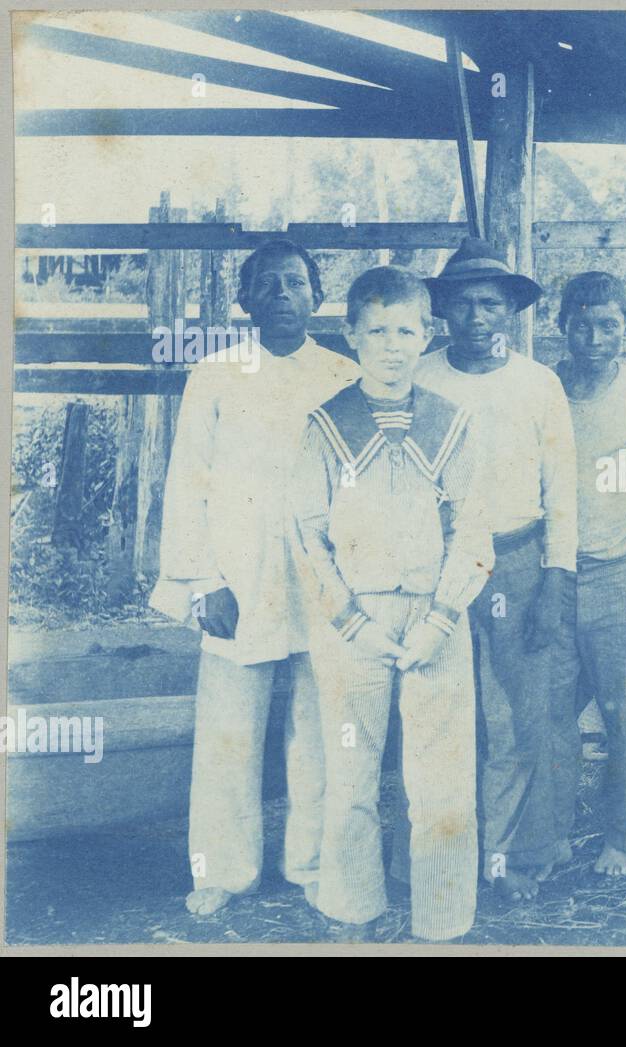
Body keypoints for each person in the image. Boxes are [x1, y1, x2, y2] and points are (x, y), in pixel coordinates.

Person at [151, 239, 357, 917]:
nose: (281, 295)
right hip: (237, 576)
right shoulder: (214, 374)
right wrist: (203, 579)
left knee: (319, 723)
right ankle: (223, 869)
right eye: (265, 285)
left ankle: (314, 862)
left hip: (322, 574)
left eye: (295, 283)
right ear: (244, 301)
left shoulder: (342, 375)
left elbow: (358, 486)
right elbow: (188, 481)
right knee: (229, 732)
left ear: (317, 296)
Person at [291, 266, 492, 941]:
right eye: (376, 330)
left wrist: (442, 617)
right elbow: (307, 534)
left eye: (407, 330)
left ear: (427, 333)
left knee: (440, 778)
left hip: (437, 617)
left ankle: (442, 918)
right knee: (350, 772)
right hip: (355, 623)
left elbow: (474, 530)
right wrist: (350, 620)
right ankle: (352, 908)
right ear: (350, 335)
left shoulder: (452, 423)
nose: (392, 344)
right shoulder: (324, 424)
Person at [416, 238, 578, 904]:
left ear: (511, 310)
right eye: (463, 304)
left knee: (517, 718)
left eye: (490, 303)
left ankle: (512, 859)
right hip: (436, 563)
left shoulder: (538, 383)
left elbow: (561, 489)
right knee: (440, 714)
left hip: (517, 561)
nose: (476, 317)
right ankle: (438, 857)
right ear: (444, 311)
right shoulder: (420, 378)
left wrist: (556, 578)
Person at [550, 271, 626, 878]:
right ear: (562, 326)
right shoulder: (542, 389)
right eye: (582, 325)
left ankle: (625, 838)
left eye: (610, 326)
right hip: (551, 573)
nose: (595, 338)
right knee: (544, 714)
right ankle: (546, 834)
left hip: (625, 573)